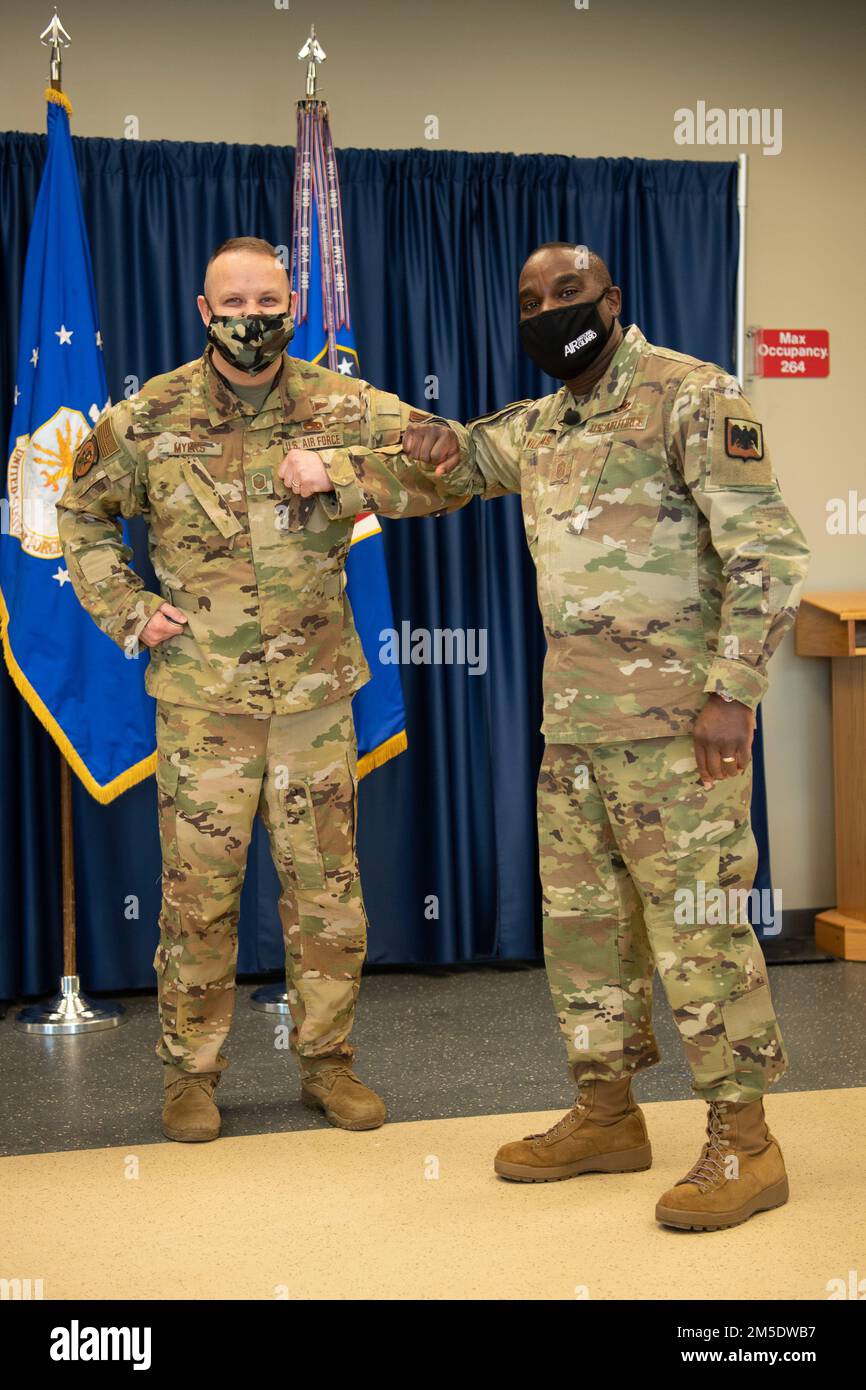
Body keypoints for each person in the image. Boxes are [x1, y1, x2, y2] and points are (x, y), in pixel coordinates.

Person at [285, 242, 810, 1230]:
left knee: (699, 933)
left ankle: (746, 1143)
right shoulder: (542, 424)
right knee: (584, 934)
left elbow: (768, 552)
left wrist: (733, 693)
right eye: (529, 300)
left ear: (612, 300)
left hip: (680, 733)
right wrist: (336, 469)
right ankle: (606, 1116)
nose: (547, 311)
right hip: (573, 730)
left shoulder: (690, 396)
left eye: (567, 293)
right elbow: (444, 466)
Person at [56, 236, 463, 1144]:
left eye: (268, 302)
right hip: (205, 702)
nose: (252, 318)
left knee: (326, 893)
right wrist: (128, 608)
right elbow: (78, 513)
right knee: (197, 895)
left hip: (315, 698)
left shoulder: (342, 403)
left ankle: (328, 1064)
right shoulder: (148, 417)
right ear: (205, 313)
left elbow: (450, 463)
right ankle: (190, 1077)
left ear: (294, 307)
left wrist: (344, 473)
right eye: (233, 304)